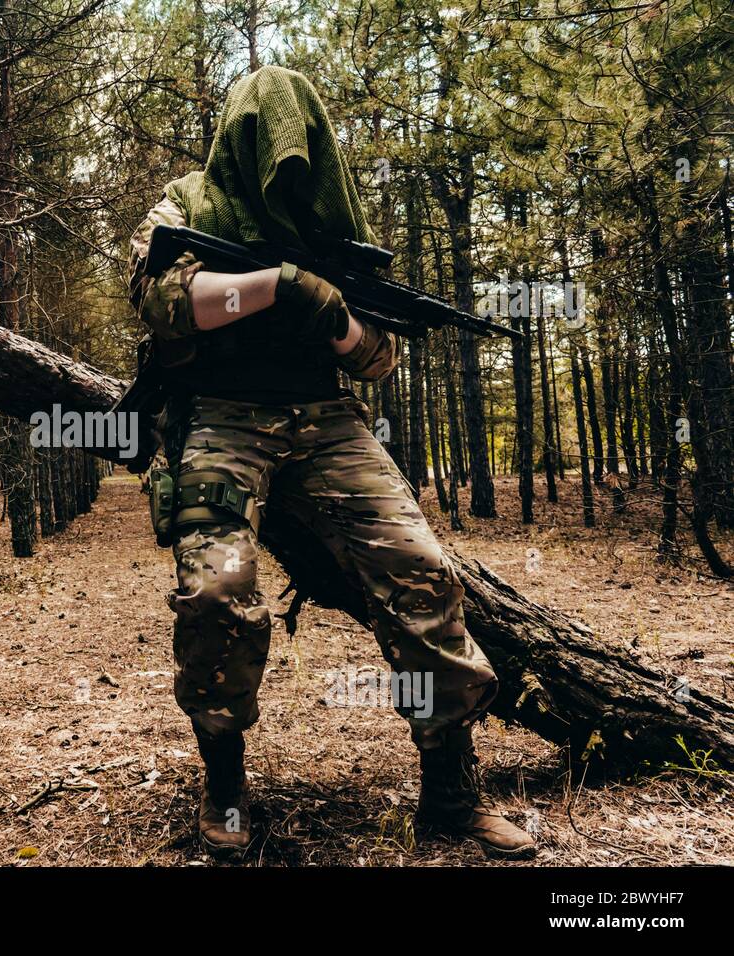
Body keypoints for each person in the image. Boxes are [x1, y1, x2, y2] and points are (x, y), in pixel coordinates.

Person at [127, 65, 536, 859]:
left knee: (423, 569)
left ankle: (452, 793)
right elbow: (162, 302)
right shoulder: (185, 203)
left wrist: (337, 319)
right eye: (269, 150)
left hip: (325, 418)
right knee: (217, 588)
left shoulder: (333, 229)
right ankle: (226, 784)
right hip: (220, 415)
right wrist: (276, 287)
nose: (286, 171)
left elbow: (378, 362)